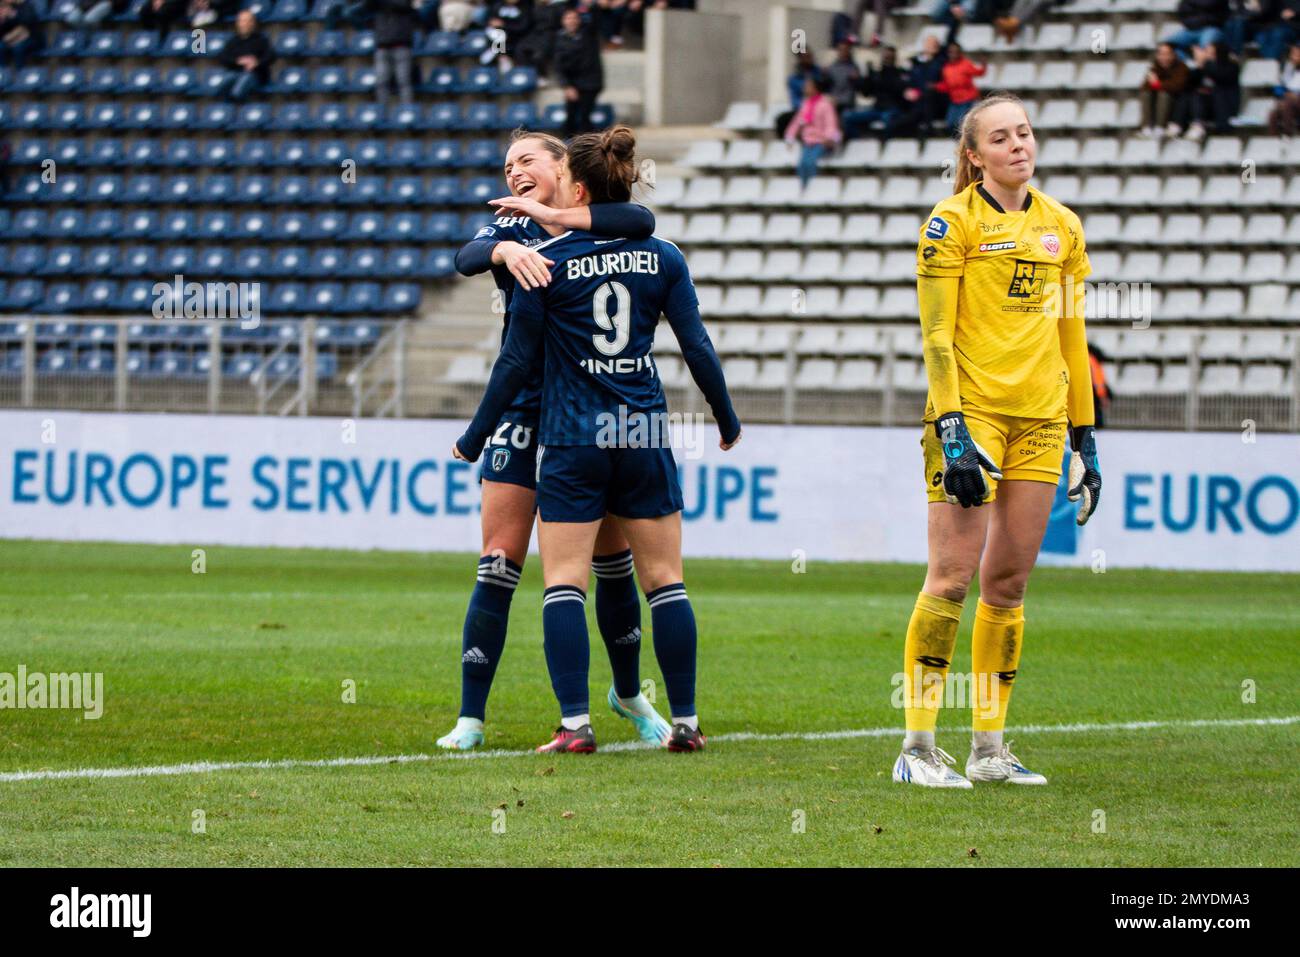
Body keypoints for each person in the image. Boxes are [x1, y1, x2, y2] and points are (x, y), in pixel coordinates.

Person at [452, 126, 742, 754]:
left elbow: (636, 213)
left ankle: (613, 699)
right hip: (548, 417)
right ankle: (472, 716)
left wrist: (556, 219)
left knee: (602, 568)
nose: (514, 174)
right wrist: (505, 253)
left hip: (570, 420)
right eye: (507, 165)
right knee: (501, 562)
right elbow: (465, 257)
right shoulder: (515, 231)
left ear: (565, 172)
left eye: (527, 160)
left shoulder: (576, 239)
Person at [895, 93, 1100, 788]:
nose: (1020, 143)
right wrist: (951, 426)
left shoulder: (1062, 227)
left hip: (1041, 420)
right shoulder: (951, 223)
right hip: (972, 415)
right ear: (974, 155)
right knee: (951, 577)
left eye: (1026, 132)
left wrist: (1086, 433)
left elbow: (1072, 338)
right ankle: (917, 747)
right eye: (1002, 137)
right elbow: (936, 335)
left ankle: (988, 747)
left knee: (1007, 583)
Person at [554, 6, 604, 137]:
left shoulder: (589, 34)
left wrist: (588, 5)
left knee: (584, 119)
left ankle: (587, 151)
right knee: (569, 119)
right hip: (572, 83)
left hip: (590, 83)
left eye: (574, 18)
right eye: (568, 18)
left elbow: (596, 18)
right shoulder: (560, 38)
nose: (571, 21)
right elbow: (558, 65)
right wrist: (567, 86)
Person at [784, 75, 842, 187]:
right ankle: (803, 188)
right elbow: (797, 122)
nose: (805, 88)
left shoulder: (825, 104)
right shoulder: (805, 104)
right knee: (802, 164)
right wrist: (790, 136)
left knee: (811, 163)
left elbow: (831, 123)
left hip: (821, 141)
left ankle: (812, 187)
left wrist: (828, 138)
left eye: (808, 86)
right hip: (808, 141)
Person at [843, 45, 909, 139]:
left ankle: (885, 147)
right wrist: (860, 80)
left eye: (890, 56)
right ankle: (858, 143)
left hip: (893, 109)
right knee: (848, 116)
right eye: (886, 56)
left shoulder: (900, 73)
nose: (888, 58)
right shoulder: (876, 74)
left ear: (895, 58)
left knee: (888, 118)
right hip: (877, 109)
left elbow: (900, 92)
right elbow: (866, 93)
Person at [1186, 40, 1241, 138]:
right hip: (1205, 106)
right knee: (1192, 95)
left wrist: (1204, 63)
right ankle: (1186, 125)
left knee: (1212, 94)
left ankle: (1199, 124)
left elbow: (1219, 76)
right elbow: (1190, 82)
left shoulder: (1231, 66)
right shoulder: (1205, 67)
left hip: (1225, 107)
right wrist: (1199, 66)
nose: (1207, 55)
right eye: (1206, 52)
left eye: (1210, 53)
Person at [1138, 42, 1193, 138]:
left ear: (1173, 55)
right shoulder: (1155, 68)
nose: (1164, 57)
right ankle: (1146, 127)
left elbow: (1177, 86)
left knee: (1164, 94)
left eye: (1167, 54)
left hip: (1175, 104)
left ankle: (1161, 127)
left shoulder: (1182, 68)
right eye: (1161, 54)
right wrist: (1154, 84)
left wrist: (1158, 85)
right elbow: (1145, 87)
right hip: (1155, 102)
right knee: (1146, 94)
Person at [219, 8, 275, 102]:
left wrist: (256, 63)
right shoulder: (233, 41)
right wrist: (239, 61)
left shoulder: (261, 40)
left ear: (253, 23)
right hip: (236, 72)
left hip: (255, 75)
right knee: (227, 80)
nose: (245, 24)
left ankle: (235, 101)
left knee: (245, 79)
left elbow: (271, 56)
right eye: (242, 21)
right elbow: (223, 57)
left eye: (248, 21)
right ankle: (225, 102)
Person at [932, 41, 986, 135]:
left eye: (956, 51)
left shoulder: (966, 64)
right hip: (954, 100)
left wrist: (983, 63)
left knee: (961, 123)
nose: (953, 54)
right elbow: (947, 85)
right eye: (951, 52)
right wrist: (935, 86)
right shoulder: (946, 68)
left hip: (967, 98)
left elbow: (979, 72)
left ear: (960, 53)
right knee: (949, 123)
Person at [373, 0, 417, 107]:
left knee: (403, 81)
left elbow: (404, 5)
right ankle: (382, 111)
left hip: (401, 44)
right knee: (381, 82)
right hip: (382, 45)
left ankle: (407, 111)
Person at [1163, 0, 1231, 55]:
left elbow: (1211, 5)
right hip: (1191, 29)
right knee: (1168, 45)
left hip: (1212, 28)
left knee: (1206, 46)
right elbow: (1183, 12)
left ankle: (1204, 68)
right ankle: (1188, 64)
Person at [0, 0, 44, 71]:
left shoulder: (26, 6)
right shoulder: (8, 7)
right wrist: (2, 20)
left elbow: (24, 27)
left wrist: (8, 38)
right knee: (1, 46)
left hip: (32, 38)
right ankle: (2, 72)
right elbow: (4, 29)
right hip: (12, 39)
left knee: (18, 47)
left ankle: (20, 72)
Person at [1267, 42, 1300, 134]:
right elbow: (1278, 88)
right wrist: (1286, 94)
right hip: (1289, 100)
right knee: (1273, 114)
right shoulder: (1288, 68)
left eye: (1297, 54)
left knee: (1288, 103)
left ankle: (1287, 134)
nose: (1294, 57)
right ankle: (1274, 141)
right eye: (1293, 54)